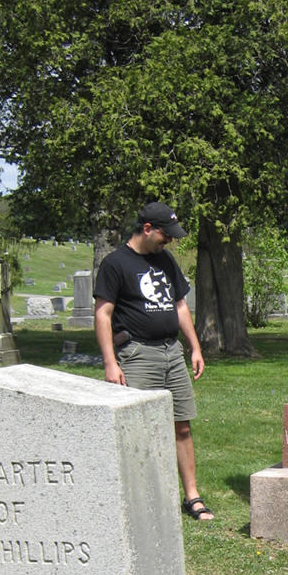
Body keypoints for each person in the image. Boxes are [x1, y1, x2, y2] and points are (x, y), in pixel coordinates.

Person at [94, 201, 214, 521]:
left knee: (182, 426)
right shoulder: (115, 264)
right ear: (147, 229)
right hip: (136, 355)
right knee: (138, 429)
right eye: (165, 234)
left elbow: (180, 305)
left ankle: (192, 497)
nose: (169, 241)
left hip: (171, 353)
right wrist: (110, 363)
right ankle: (141, 499)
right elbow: (103, 315)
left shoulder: (165, 260)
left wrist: (195, 348)